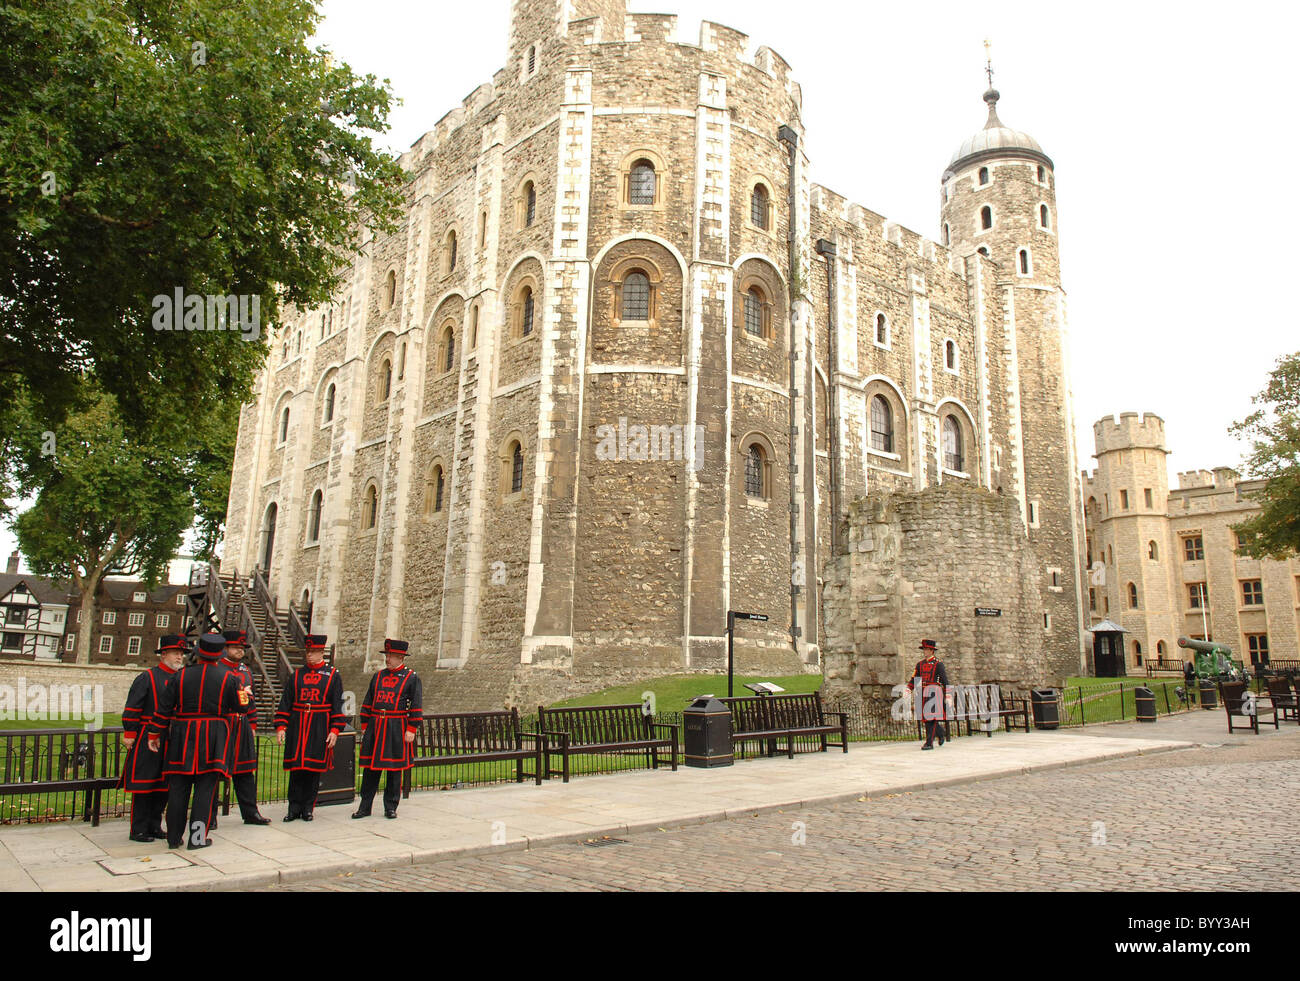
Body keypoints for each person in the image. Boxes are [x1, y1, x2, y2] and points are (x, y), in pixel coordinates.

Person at [148, 633, 244, 849]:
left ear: (199, 654)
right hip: (213, 735)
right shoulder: (229, 678)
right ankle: (197, 838)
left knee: (178, 790)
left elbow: (163, 709)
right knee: (204, 791)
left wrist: (154, 733)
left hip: (183, 735)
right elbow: (242, 707)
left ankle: (173, 838)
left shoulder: (180, 676)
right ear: (219, 655)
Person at [120, 635, 185, 842]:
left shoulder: (180, 678)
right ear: (163, 654)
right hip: (147, 735)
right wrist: (130, 733)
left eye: (181, 653)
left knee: (163, 784)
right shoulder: (147, 677)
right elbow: (133, 707)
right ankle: (138, 828)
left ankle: (155, 825)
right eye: (176, 653)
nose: (179, 657)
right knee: (145, 783)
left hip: (171, 736)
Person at [275, 634, 345, 822]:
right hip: (298, 725)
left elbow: (337, 706)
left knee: (313, 770)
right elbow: (286, 702)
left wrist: (335, 730)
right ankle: (293, 807)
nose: (310, 656)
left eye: (313, 652)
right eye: (308, 652)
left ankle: (308, 808)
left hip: (319, 725)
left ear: (321, 652)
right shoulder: (297, 675)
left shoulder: (332, 675)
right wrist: (281, 726)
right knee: (296, 769)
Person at [352, 639, 422, 820]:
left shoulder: (411, 678)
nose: (387, 659)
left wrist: (412, 728)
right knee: (370, 770)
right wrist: (366, 725)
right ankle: (364, 806)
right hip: (376, 726)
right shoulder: (378, 676)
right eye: (387, 655)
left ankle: (390, 806)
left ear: (400, 657)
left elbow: (416, 705)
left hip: (396, 726)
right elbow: (368, 701)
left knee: (394, 770)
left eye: (390, 656)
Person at [220, 629, 270, 825]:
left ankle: (250, 813)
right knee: (216, 771)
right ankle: (208, 815)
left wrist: (253, 724)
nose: (240, 651)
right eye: (235, 647)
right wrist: (243, 694)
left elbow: (252, 701)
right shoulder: (218, 669)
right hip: (223, 724)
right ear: (225, 648)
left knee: (245, 771)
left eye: (242, 648)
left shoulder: (245, 671)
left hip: (242, 725)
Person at [906, 639, 949, 750]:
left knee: (932, 718)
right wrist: (908, 689)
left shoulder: (938, 664)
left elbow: (945, 681)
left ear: (931, 651)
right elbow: (915, 679)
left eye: (926, 649)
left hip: (934, 693)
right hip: (923, 693)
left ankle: (929, 743)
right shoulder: (920, 665)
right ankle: (940, 732)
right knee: (926, 718)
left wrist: (947, 695)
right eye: (924, 649)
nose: (924, 651)